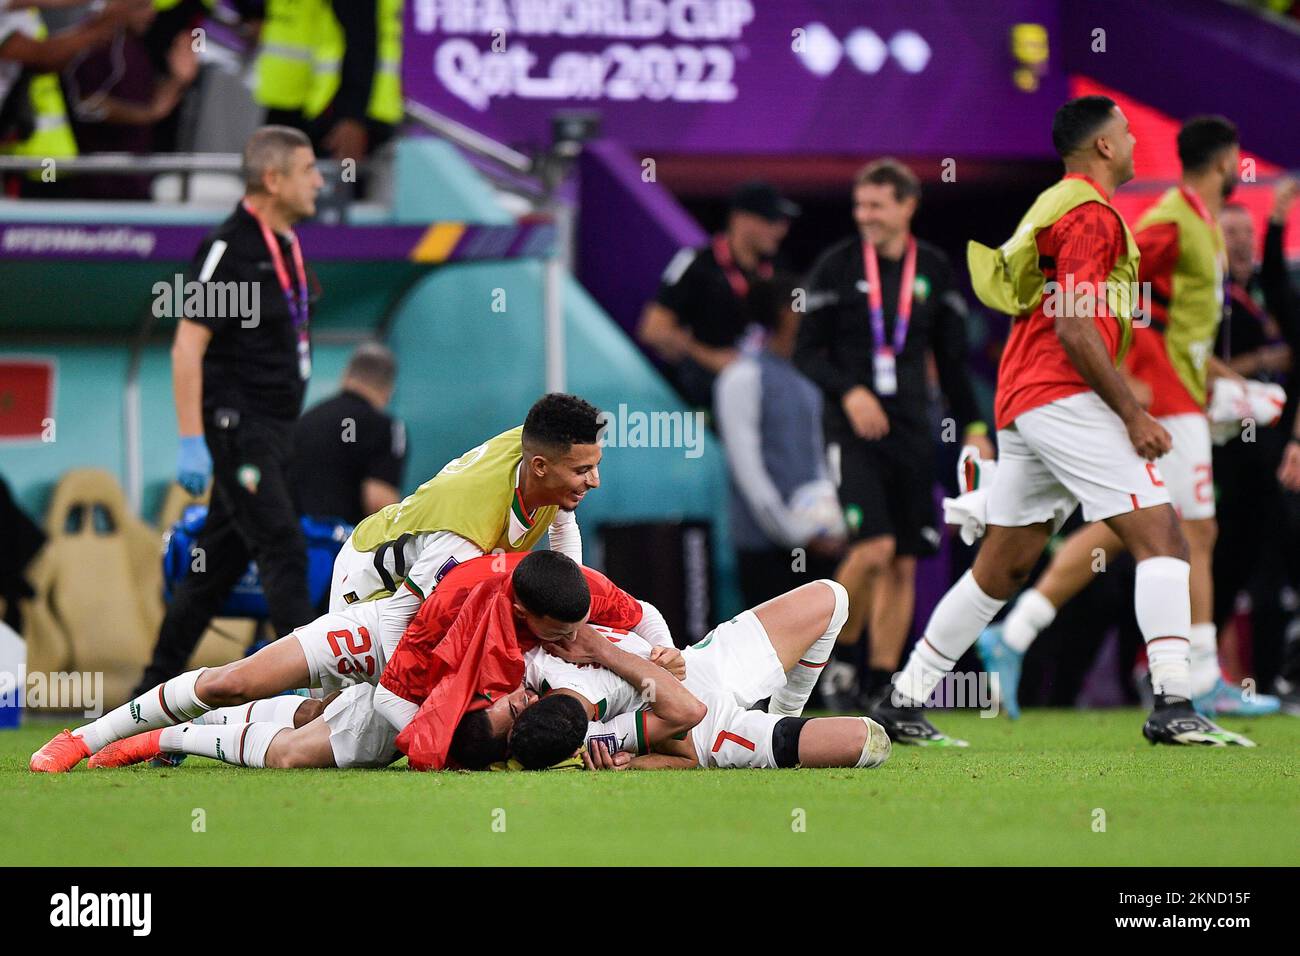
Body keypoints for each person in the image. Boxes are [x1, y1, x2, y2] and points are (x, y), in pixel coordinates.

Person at [870, 95, 1251, 747]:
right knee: (1163, 535)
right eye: (1128, 134)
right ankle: (1174, 703)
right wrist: (1131, 414)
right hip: (1061, 392)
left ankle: (901, 699)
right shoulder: (1090, 216)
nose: (1134, 143)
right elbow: (1075, 326)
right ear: (1103, 146)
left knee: (1005, 564)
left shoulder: (1057, 203)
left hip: (1028, 394)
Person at [979, 117, 1279, 722]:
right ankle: (1193, 677)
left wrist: (1224, 379)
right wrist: (1133, 375)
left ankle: (1016, 634)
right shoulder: (1169, 219)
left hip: (1179, 390)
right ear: (1228, 162)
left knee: (1130, 528)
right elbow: (1120, 292)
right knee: (1185, 531)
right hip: (1161, 398)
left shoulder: (1195, 219)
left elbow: (1168, 318)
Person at [29, 549, 651, 772]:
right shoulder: (455, 603)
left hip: (442, 688)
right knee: (234, 681)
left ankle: (168, 739)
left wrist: (661, 652)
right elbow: (396, 696)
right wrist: (442, 753)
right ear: (521, 612)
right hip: (391, 636)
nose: (576, 638)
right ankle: (86, 736)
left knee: (299, 748)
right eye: (561, 632)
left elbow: (641, 618)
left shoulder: (579, 593)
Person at [129, 126, 324, 697]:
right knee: (285, 546)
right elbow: (188, 345)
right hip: (239, 432)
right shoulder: (228, 247)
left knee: (213, 567)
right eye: (308, 169)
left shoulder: (285, 243)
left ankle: (150, 696)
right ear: (273, 178)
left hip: (275, 433)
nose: (320, 181)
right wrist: (192, 439)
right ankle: (314, 694)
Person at [795, 158, 991, 707]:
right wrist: (851, 392)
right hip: (851, 431)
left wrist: (976, 424)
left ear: (908, 205)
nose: (866, 216)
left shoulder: (933, 268)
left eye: (877, 205)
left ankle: (880, 683)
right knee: (874, 547)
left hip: (912, 432)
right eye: (860, 205)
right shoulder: (835, 267)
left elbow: (952, 361)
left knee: (905, 557)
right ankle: (829, 665)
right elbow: (805, 352)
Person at [459, 580, 891, 772]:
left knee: (832, 596)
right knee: (867, 742)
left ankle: (784, 712)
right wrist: (601, 650)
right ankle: (776, 729)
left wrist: (661, 651)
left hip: (702, 664)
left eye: (507, 707)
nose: (521, 705)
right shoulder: (576, 735)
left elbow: (643, 612)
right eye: (514, 722)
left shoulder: (531, 659)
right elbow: (684, 722)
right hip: (713, 730)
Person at [325, 393, 598, 664]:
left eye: (596, 466)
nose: (594, 480)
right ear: (539, 466)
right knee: (354, 699)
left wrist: (571, 611)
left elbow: (562, 526)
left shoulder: (543, 443)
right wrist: (400, 693)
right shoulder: (468, 536)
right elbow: (397, 615)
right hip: (369, 581)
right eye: (582, 471)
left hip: (424, 569)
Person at [1213, 182, 1300, 711]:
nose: (1241, 242)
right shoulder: (1211, 297)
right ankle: (1196, 674)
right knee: (1231, 559)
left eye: (1249, 232)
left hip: (1279, 448)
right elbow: (1191, 363)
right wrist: (1255, 366)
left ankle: (1276, 683)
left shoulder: (1275, 291)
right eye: (1232, 233)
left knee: (1278, 561)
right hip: (1230, 450)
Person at [714, 274, 843, 609]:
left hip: (822, 541)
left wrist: (834, 525)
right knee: (770, 656)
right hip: (764, 549)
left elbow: (824, 457)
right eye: (798, 306)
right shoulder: (741, 379)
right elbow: (750, 473)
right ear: (782, 314)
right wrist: (799, 534)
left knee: (819, 655)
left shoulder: (812, 376)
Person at [639, 181, 798, 408]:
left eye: (783, 223)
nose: (781, 230)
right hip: (700, 398)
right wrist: (709, 357)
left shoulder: (778, 268)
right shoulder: (697, 263)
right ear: (740, 219)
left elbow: (788, 335)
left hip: (758, 398)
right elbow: (653, 329)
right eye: (771, 220)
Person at [60, 0, 198, 199]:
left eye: (152, 5)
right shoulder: (98, 44)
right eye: (141, 6)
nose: (151, 13)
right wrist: (148, 115)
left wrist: (178, 80)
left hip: (134, 180)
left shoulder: (134, 43)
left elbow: (149, 103)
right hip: (98, 185)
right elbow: (87, 106)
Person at [0, 0, 139, 190]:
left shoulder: (21, 14)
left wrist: (97, 25)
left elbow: (52, 63)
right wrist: (101, 25)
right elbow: (44, 56)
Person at [290, 341, 406, 527]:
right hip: (345, 547)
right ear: (389, 390)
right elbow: (379, 502)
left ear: (346, 375)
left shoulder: (307, 419)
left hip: (299, 543)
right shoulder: (386, 427)